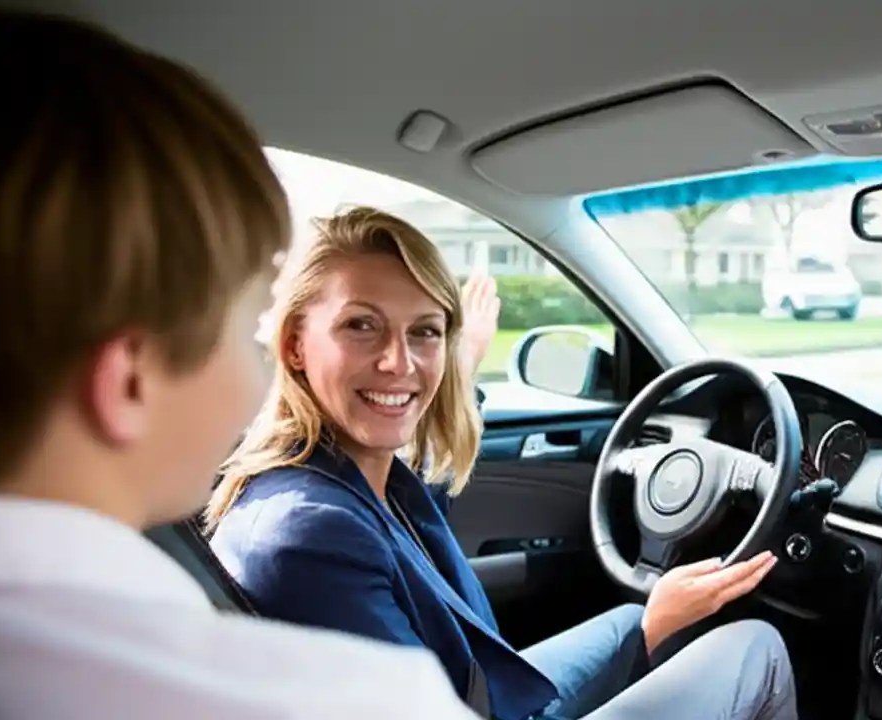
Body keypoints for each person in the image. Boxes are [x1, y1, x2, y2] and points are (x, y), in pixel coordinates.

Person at [0, 10, 483, 720]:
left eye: (426, 333)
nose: (259, 368)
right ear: (130, 379)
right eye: (247, 326)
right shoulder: (351, 698)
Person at [206, 206, 800, 720]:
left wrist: (460, 366)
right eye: (361, 326)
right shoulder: (310, 535)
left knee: (641, 617)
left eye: (425, 332)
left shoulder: (340, 476)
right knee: (756, 647)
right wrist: (654, 625)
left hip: (475, 695)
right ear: (294, 346)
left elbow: (428, 477)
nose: (400, 362)